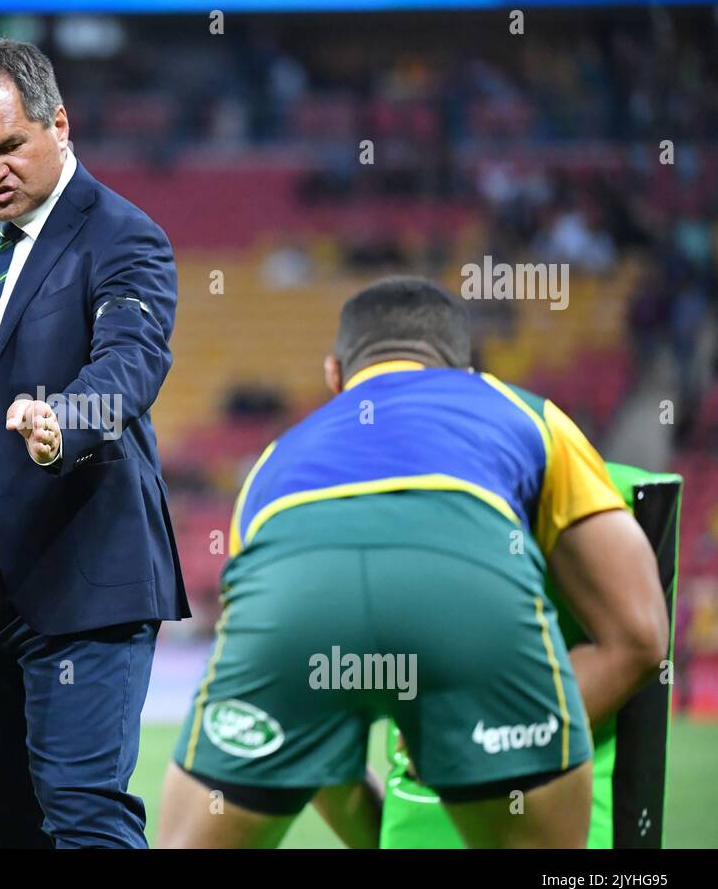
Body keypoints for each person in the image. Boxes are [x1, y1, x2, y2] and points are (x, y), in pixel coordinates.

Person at [158, 276, 669, 849]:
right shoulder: (524, 413)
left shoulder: (271, 465)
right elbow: (640, 636)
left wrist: (390, 832)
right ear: (464, 369)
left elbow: (312, 743)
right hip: (471, 607)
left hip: (295, 607)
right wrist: (486, 743)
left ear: (335, 374)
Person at [0, 39, 189, 848]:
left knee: (84, 812)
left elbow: (129, 365)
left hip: (79, 571)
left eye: (8, 147)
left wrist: (67, 419)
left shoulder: (123, 236)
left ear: (59, 124)